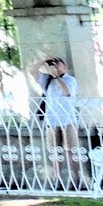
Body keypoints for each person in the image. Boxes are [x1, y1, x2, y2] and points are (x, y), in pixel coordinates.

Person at [34, 57, 85, 190]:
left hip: (68, 120)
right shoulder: (47, 80)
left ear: (64, 65)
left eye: (57, 63)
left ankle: (75, 179)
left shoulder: (70, 80)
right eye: (53, 64)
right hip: (52, 119)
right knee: (55, 152)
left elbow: (67, 92)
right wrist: (45, 60)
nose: (55, 66)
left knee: (70, 151)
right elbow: (32, 71)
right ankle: (57, 179)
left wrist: (57, 77)